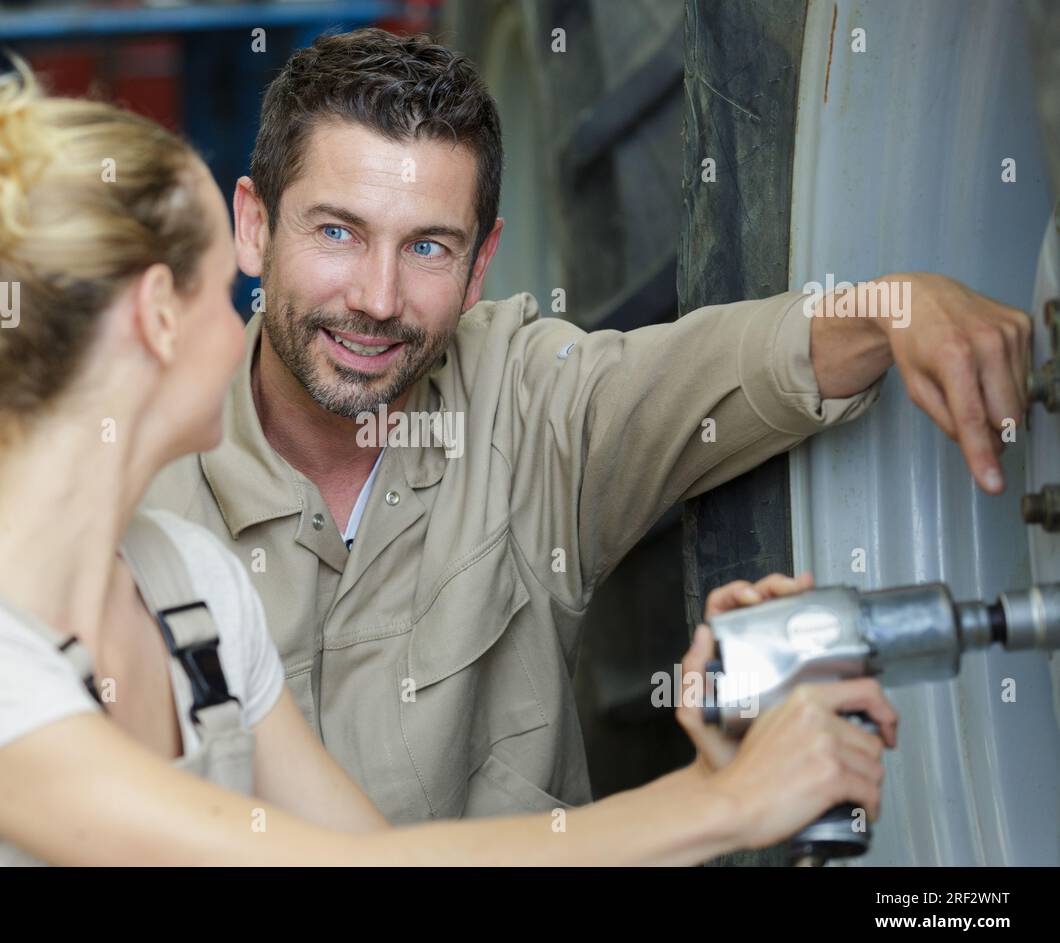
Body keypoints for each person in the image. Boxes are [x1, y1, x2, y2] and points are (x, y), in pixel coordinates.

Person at [0, 61, 897, 866]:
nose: (265, 317)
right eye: (234, 277)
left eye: (424, 246)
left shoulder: (183, 587)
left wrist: (716, 771)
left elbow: (376, 851)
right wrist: (723, 806)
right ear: (158, 320)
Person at [142, 28, 1029, 822]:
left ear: (481, 262)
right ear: (253, 226)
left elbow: (724, 365)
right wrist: (718, 807)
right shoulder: (133, 481)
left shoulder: (530, 405)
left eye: (427, 248)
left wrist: (898, 307)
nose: (378, 300)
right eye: (337, 232)